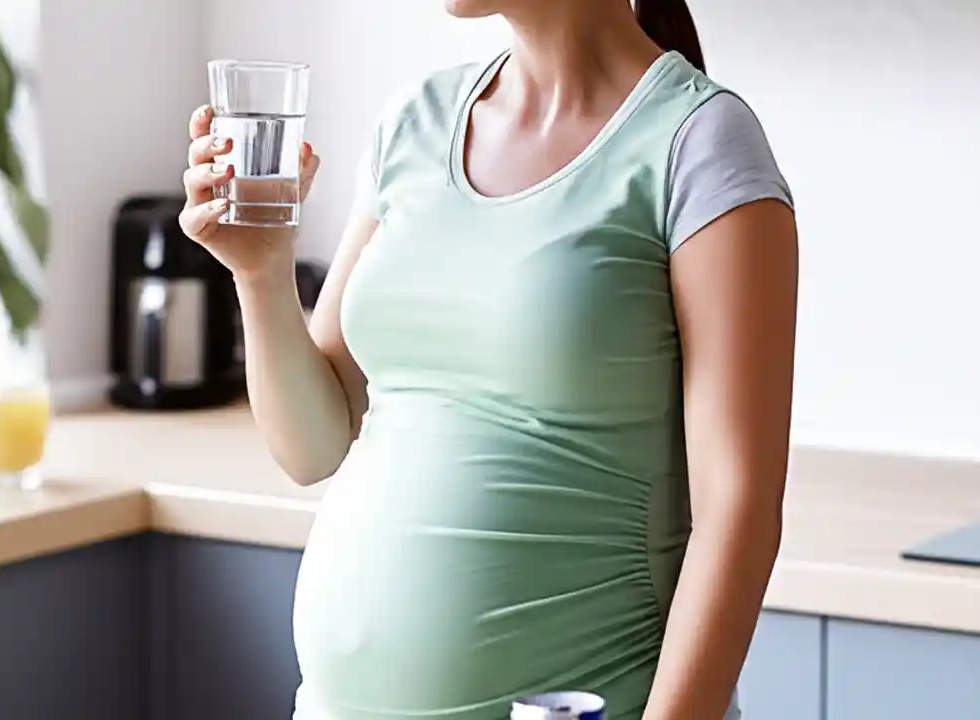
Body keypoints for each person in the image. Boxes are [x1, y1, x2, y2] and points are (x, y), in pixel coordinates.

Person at [178, 0, 797, 717]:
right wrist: (259, 273)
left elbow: (739, 513)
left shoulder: (698, 143)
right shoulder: (416, 122)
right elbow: (312, 446)